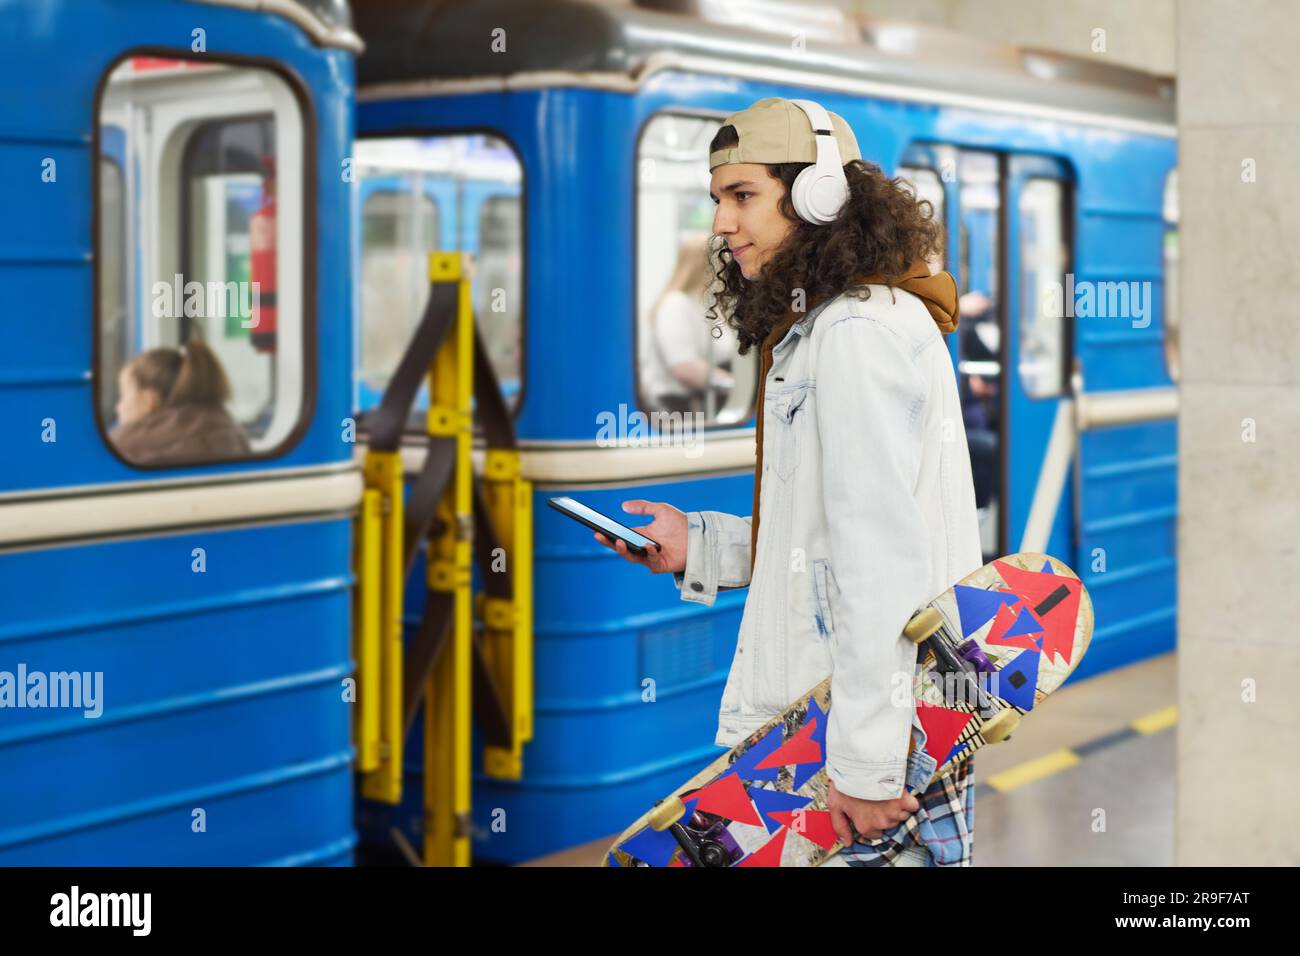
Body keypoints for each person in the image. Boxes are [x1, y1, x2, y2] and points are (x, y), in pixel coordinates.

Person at [594, 98, 983, 867]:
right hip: (846, 729)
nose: (721, 225)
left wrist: (868, 767)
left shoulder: (854, 335)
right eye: (717, 200)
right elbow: (828, 535)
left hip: (854, 741)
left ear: (818, 196)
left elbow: (881, 561)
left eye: (744, 197)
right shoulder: (838, 325)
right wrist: (700, 546)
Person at [640, 233, 738, 416]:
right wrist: (732, 385)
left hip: (702, 406)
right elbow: (684, 368)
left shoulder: (707, 305)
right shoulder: (675, 304)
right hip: (673, 409)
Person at [111, 340, 251, 465]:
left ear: (148, 400)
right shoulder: (230, 433)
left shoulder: (124, 453)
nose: (118, 408)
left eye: (123, 397)